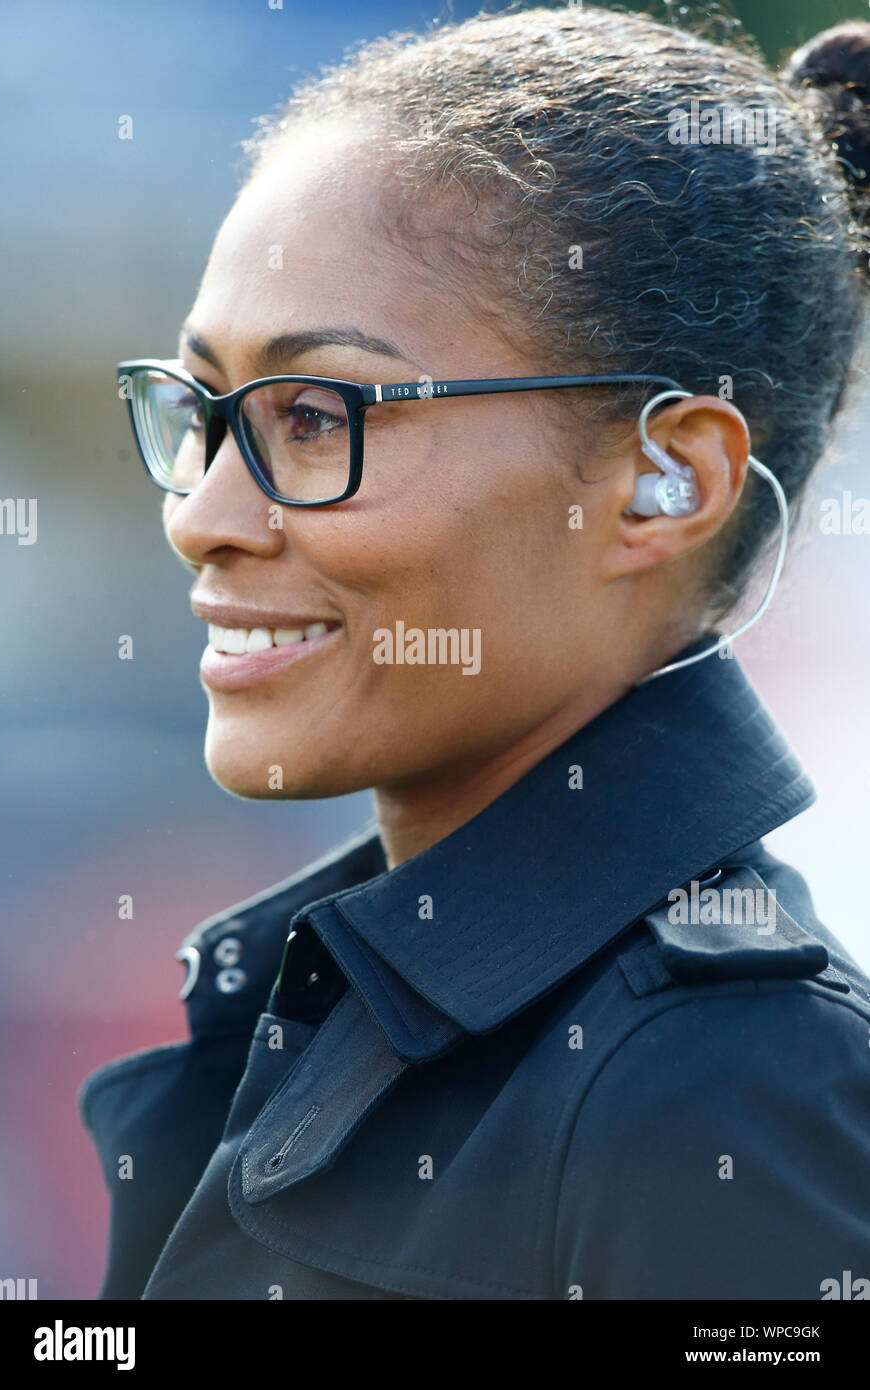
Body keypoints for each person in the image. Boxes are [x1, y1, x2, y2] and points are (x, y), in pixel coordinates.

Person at [79, 5, 870, 1299]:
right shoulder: (337, 1005)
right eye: (202, 410)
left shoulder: (719, 1084)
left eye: (317, 414)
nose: (204, 517)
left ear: (663, 478)